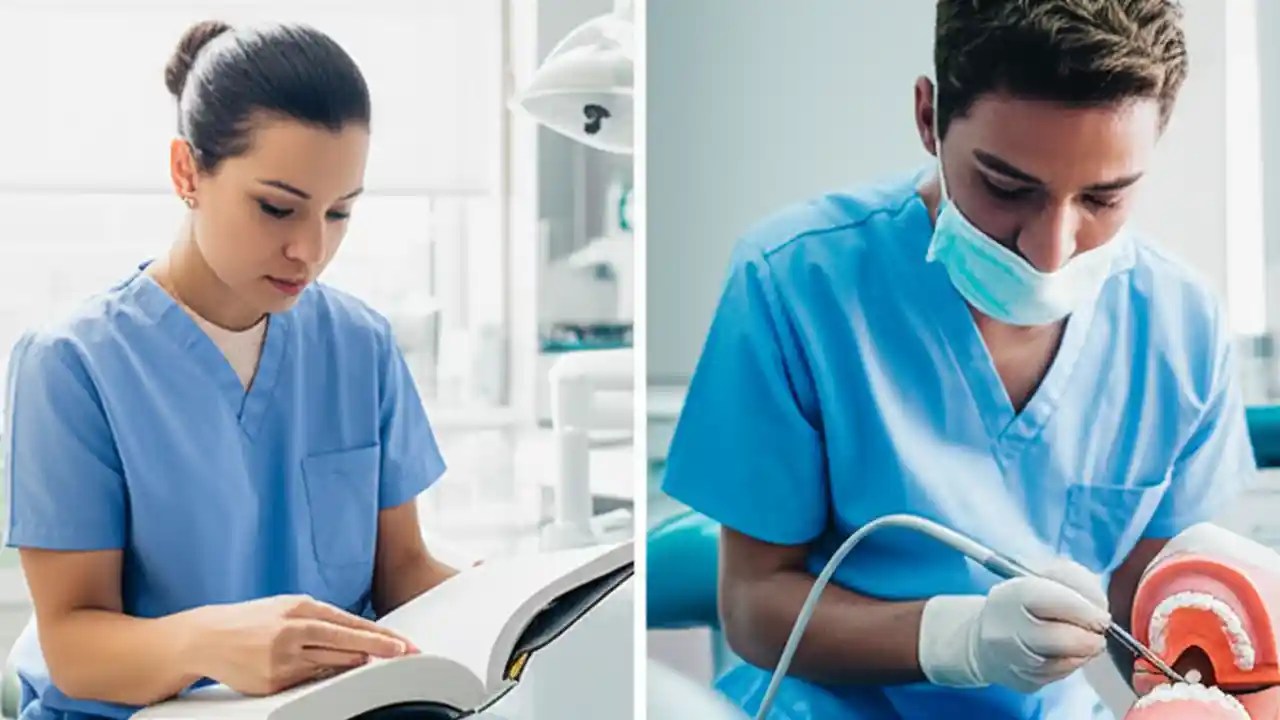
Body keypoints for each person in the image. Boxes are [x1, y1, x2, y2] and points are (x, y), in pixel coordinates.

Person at [662, 1, 1256, 718]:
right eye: (1007, 188)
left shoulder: (1180, 327)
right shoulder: (798, 281)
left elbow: (1152, 627)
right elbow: (755, 605)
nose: (1051, 248)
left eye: (1104, 197)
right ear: (927, 116)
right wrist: (957, 638)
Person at [3, 21, 460, 719]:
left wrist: (508, 601)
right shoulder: (73, 364)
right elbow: (72, 642)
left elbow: (401, 573)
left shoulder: (359, 344)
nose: (309, 249)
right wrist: (208, 644)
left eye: (339, 213)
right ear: (188, 172)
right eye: (276, 207)